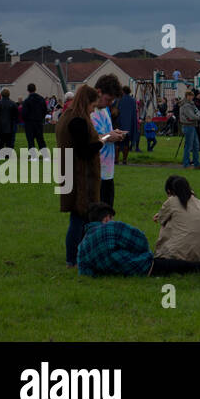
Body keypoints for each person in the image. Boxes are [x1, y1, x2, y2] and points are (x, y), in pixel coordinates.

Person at [57, 85, 105, 267]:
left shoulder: (67, 117)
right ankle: (72, 259)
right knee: (78, 218)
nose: (93, 110)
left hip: (70, 171)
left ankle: (80, 256)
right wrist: (101, 141)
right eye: (93, 106)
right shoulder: (78, 120)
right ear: (87, 102)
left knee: (81, 219)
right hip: (80, 176)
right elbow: (84, 151)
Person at [153, 175, 200, 262]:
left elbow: (161, 219)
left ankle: (160, 253)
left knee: (168, 224)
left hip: (176, 256)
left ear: (169, 191)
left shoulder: (172, 201)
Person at [92, 74, 125, 207]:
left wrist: (114, 134)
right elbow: (91, 140)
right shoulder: (87, 111)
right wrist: (108, 137)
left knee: (107, 217)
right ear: (99, 92)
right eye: (108, 99)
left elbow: (104, 134)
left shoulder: (104, 109)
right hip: (94, 174)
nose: (110, 103)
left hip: (107, 173)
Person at [21, 83, 49, 155]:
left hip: (29, 123)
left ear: (28, 90)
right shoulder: (41, 99)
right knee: (40, 139)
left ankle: (33, 156)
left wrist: (26, 120)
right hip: (39, 122)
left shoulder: (27, 101)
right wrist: (41, 118)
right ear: (35, 89)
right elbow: (45, 110)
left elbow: (24, 113)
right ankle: (45, 155)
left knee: (30, 140)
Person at [178, 90, 200, 169]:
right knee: (188, 146)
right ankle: (186, 164)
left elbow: (198, 112)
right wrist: (197, 117)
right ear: (187, 96)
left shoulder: (191, 104)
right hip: (188, 126)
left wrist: (197, 115)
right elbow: (192, 116)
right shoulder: (186, 105)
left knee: (196, 145)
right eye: (191, 96)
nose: (192, 97)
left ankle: (197, 164)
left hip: (192, 126)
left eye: (192, 96)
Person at [0, 87, 18, 156]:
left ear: (1, 94)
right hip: (10, 125)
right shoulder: (13, 104)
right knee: (9, 141)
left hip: (0, 125)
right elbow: (16, 115)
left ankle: (0, 153)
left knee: (0, 140)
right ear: (9, 94)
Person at [116, 86, 138, 164]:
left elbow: (115, 112)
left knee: (117, 143)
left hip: (119, 124)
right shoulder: (132, 101)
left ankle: (116, 160)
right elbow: (134, 114)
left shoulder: (118, 99)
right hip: (128, 125)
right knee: (126, 143)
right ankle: (124, 160)